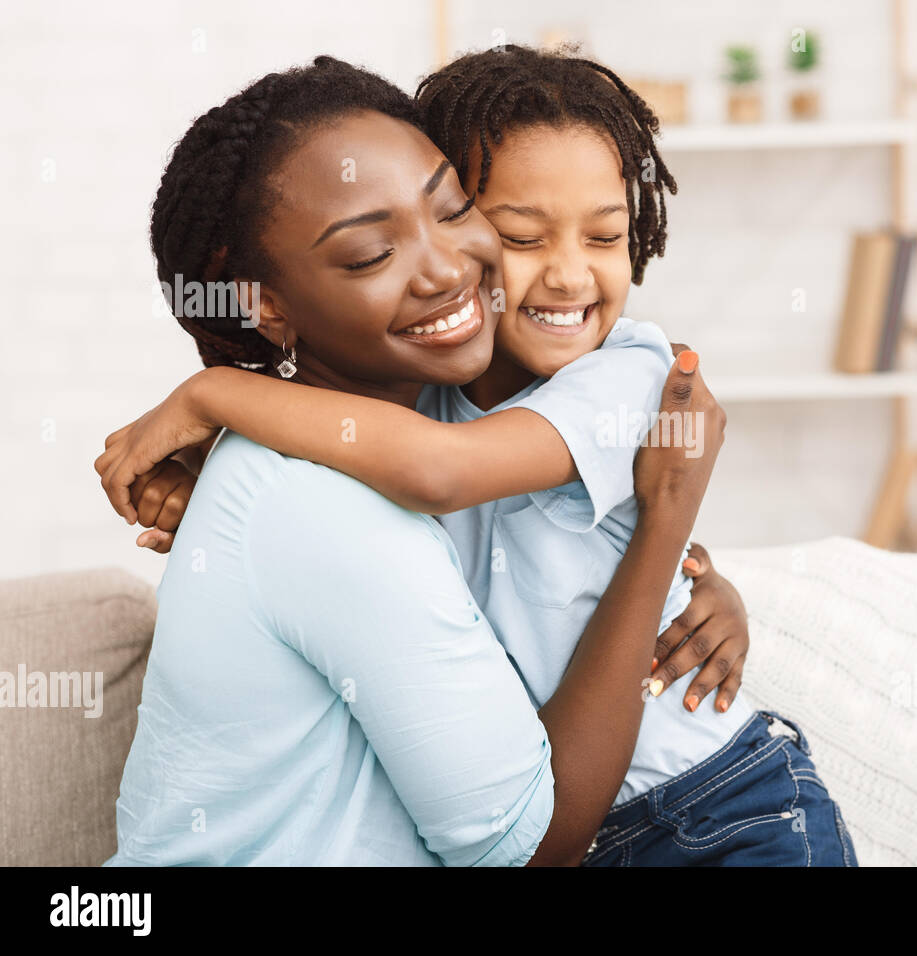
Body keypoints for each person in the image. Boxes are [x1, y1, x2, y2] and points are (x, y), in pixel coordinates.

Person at [96, 56, 724, 867]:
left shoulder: (404, 426)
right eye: (369, 255)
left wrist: (697, 572)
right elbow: (534, 848)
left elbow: (481, 497)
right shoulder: (325, 492)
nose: (447, 268)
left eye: (453, 209)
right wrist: (664, 525)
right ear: (267, 304)